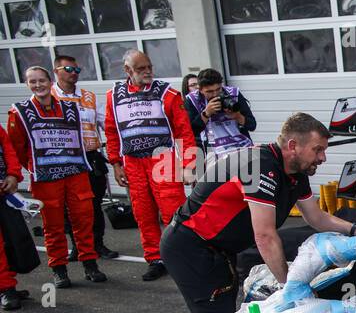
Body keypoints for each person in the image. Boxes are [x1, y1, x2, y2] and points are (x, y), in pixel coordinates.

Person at [160, 113, 356, 313]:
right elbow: (265, 236)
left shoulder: (296, 172)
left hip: (220, 249)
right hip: (190, 245)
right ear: (293, 146)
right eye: (317, 150)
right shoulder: (259, 165)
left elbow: (316, 217)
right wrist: (290, 287)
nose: (322, 158)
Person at [6, 66, 106, 289]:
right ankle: (58, 269)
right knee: (53, 226)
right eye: (32, 82)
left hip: (76, 174)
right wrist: (36, 166)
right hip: (46, 178)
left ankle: (90, 264)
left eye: (42, 80)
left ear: (50, 82)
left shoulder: (71, 108)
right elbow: (18, 148)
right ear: (27, 84)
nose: (38, 85)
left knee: (84, 220)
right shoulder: (19, 111)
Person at [104, 50, 197, 281]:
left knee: (173, 212)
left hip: (163, 160)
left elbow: (184, 132)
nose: (147, 72)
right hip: (133, 163)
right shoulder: (113, 95)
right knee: (143, 213)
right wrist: (115, 163)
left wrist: (188, 165)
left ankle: (182, 256)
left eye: (149, 67)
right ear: (127, 71)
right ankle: (155, 259)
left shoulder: (168, 94)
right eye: (140, 69)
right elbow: (111, 131)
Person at [51, 53, 118, 261]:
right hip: (65, 160)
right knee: (68, 207)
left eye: (77, 70)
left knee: (93, 204)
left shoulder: (88, 96)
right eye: (69, 70)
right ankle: (77, 246)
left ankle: (98, 244)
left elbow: (106, 123)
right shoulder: (48, 97)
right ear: (56, 71)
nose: (74, 74)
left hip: (90, 158)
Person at [184, 68, 255, 157]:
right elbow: (191, 131)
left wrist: (238, 116)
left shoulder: (234, 94)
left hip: (242, 148)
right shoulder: (192, 100)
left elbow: (252, 125)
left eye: (218, 89)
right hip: (214, 153)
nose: (215, 94)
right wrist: (206, 114)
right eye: (209, 91)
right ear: (200, 89)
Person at [0, 124, 26, 310]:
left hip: (4, 192)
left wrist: (13, 175)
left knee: (13, 239)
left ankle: (8, 284)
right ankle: (6, 288)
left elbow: (9, 151)